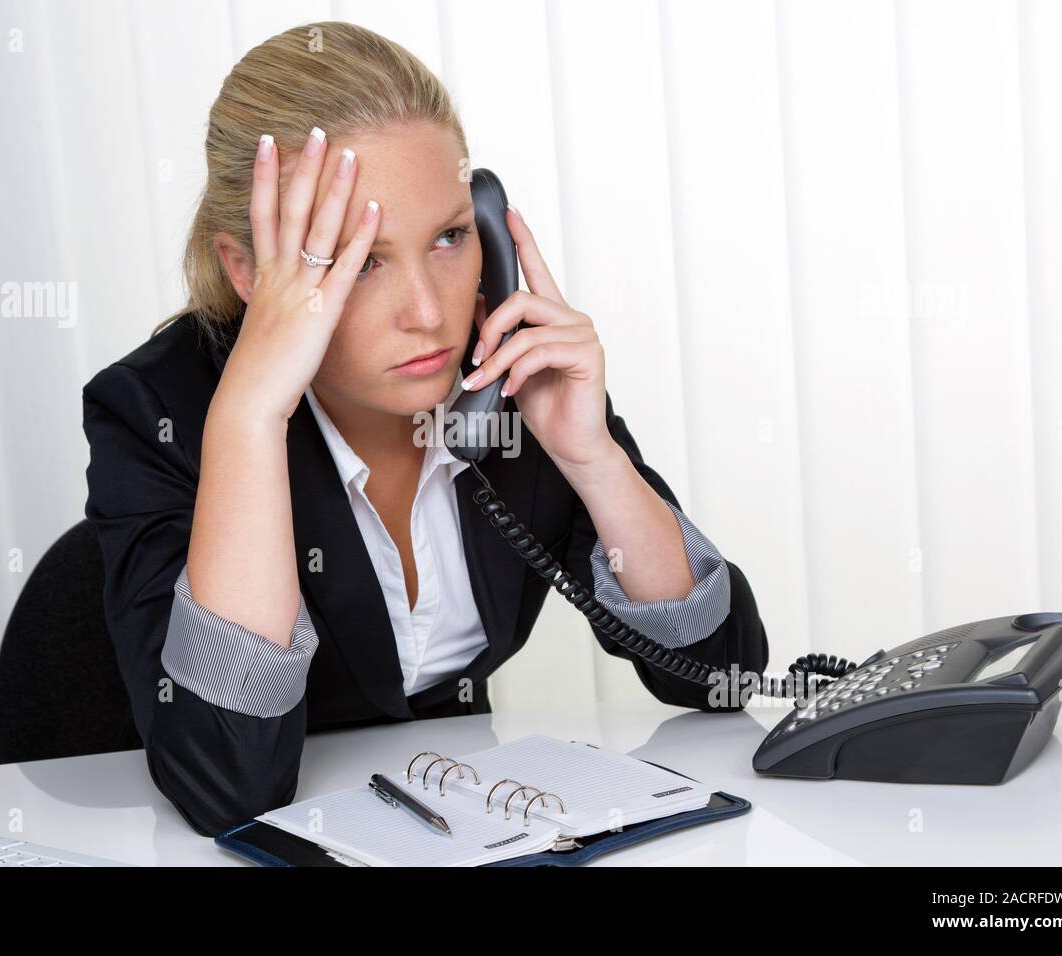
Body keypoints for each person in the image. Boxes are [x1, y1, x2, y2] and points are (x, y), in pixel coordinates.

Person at [82, 20, 768, 837]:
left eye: (448, 238)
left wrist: (590, 454)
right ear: (247, 271)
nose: (429, 311)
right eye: (360, 259)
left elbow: (719, 675)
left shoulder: (506, 368)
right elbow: (226, 788)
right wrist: (251, 419)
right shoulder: (157, 413)